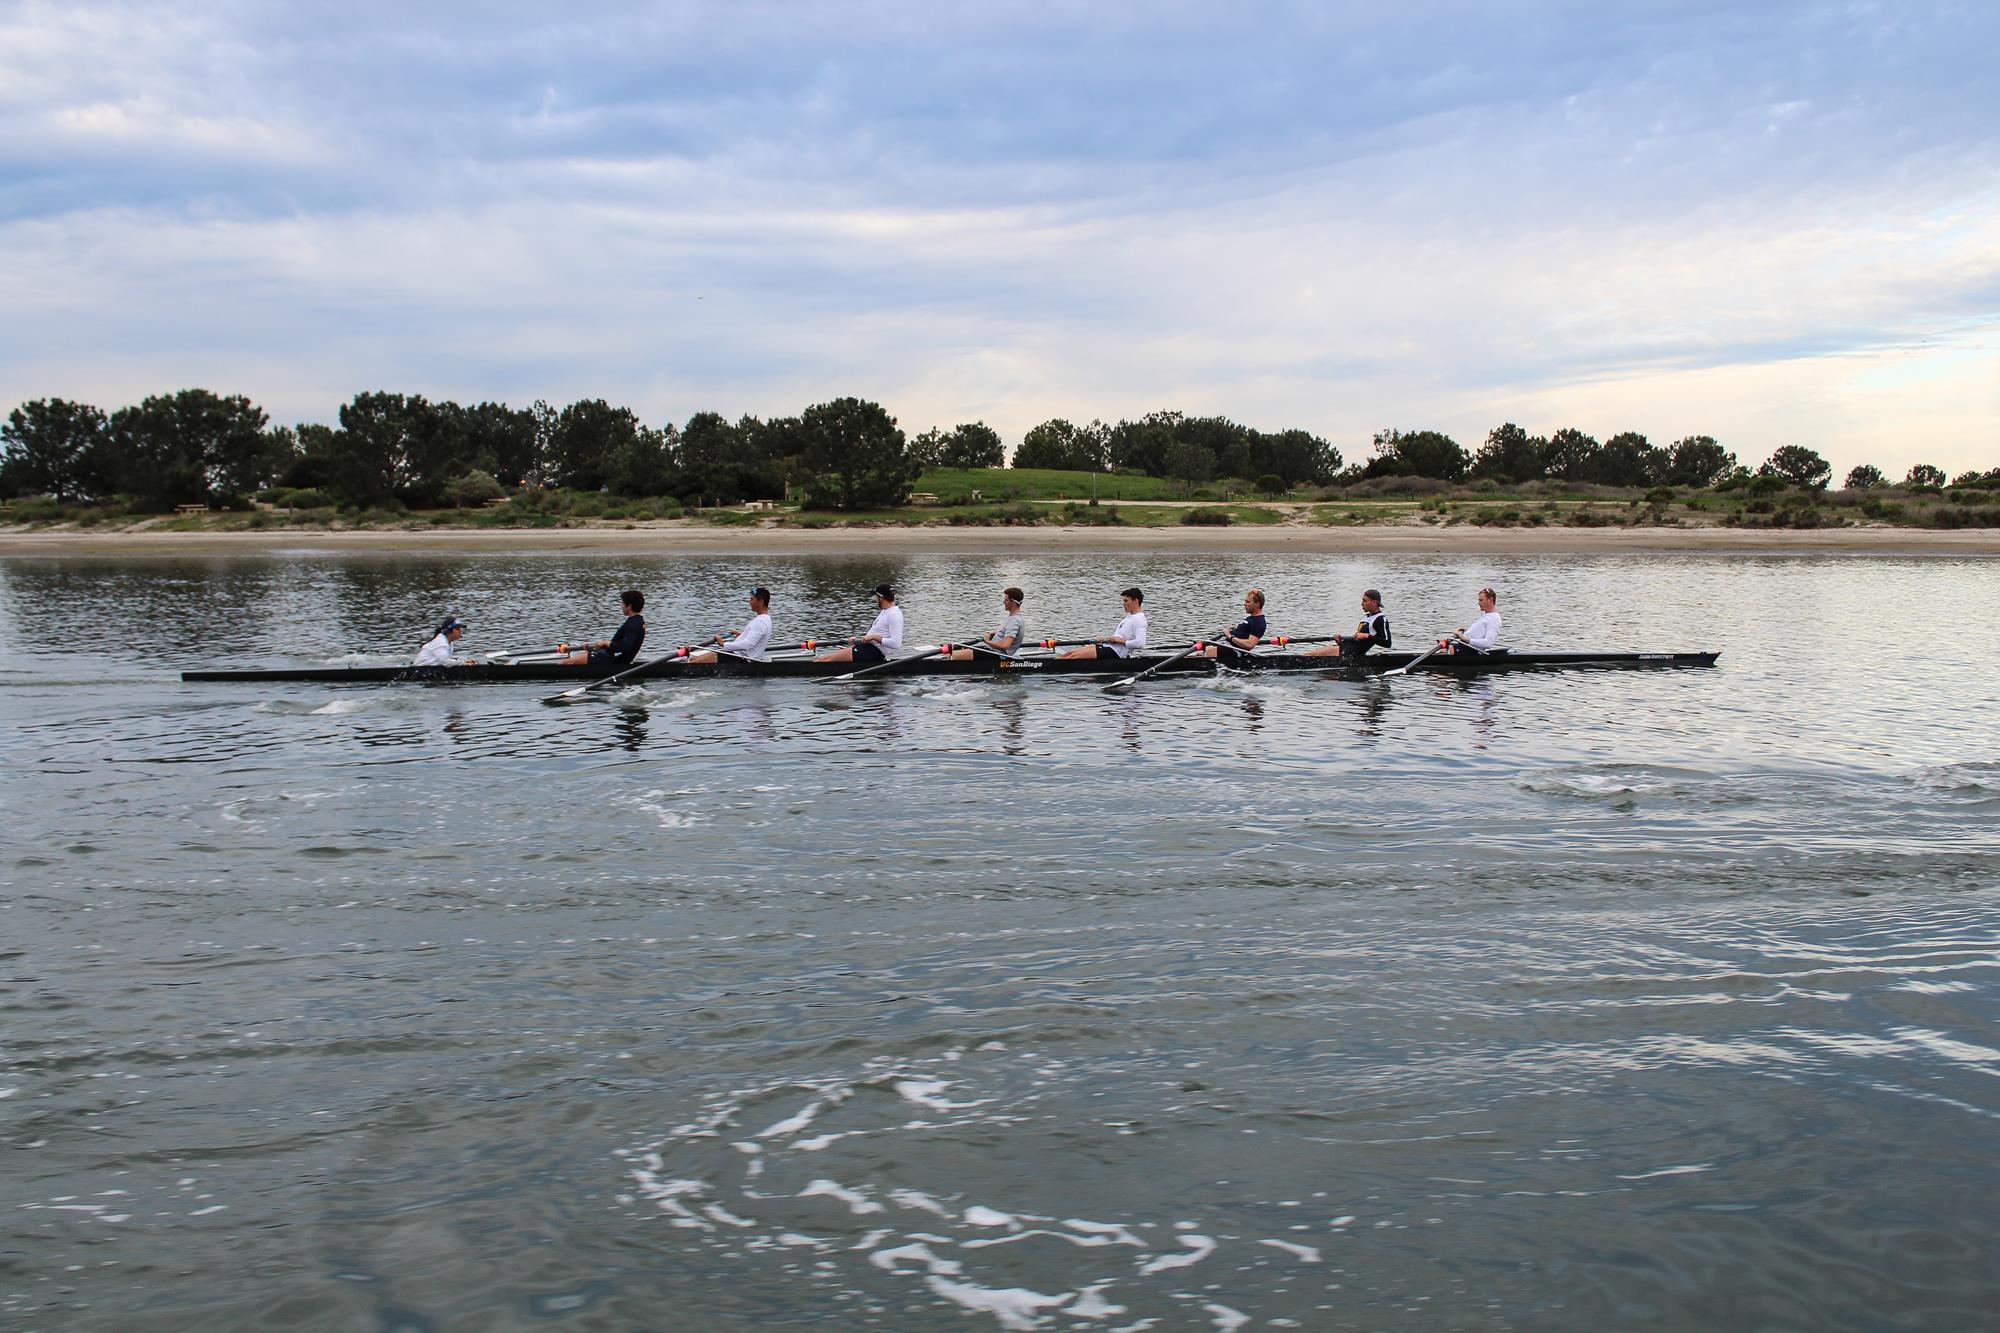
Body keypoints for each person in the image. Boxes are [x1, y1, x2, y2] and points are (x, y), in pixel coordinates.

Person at [815, 584, 905, 664]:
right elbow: (877, 633)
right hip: (867, 648)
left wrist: (874, 637)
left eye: (876, 597)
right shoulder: (886, 611)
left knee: (822, 661)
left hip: (873, 653)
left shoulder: (893, 614)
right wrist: (858, 640)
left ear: (880, 598)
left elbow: (896, 643)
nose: (875, 600)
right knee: (822, 659)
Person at [557, 590, 646, 667]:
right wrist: (593, 647)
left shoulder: (634, 624)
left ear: (629, 606)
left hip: (610, 659)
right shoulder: (636, 622)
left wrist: (606, 642)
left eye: (622, 603)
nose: (621, 606)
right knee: (577, 658)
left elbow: (624, 647)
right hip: (609, 656)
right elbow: (617, 645)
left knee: (564, 663)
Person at [684, 587, 773, 664]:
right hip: (740, 656)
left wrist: (723, 644)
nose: (749, 602)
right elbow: (754, 638)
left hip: (741, 659)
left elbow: (747, 644)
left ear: (761, 601)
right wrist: (742, 634)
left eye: (752, 599)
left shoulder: (760, 622)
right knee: (694, 658)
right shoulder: (765, 619)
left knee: (694, 662)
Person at [1061, 587, 1147, 659]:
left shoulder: (1139, 619)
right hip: (1109, 647)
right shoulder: (1129, 618)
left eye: (1126, 601)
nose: (1123, 604)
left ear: (1136, 601)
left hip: (1115, 653)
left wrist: (1121, 642)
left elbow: (1140, 643)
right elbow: (1118, 639)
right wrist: (1105, 640)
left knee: (1072, 656)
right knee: (1069, 653)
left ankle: (1051, 669)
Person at [1307, 589, 1390, 659]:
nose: (1362, 604)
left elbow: (1387, 642)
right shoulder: (1366, 617)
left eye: (1364, 601)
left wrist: (1366, 636)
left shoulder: (1380, 619)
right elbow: (1358, 641)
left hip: (1352, 654)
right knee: (1309, 655)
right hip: (1346, 650)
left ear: (1374, 602)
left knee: (1311, 655)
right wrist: (1341, 641)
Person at [950, 587, 1027, 660]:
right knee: (954, 652)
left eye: (1006, 600)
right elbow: (1009, 633)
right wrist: (996, 634)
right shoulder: (1016, 617)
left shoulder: (1014, 621)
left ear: (1013, 602)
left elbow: (1005, 645)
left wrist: (987, 641)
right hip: (991, 651)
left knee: (952, 656)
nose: (1003, 602)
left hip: (996, 655)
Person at [1202, 588, 1267, 659]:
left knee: (1207, 650)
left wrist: (1230, 636)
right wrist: (1235, 630)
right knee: (1202, 646)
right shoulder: (1252, 618)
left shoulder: (1259, 623)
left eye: (1248, 602)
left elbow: (1249, 644)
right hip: (1228, 645)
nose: (1244, 604)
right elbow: (1245, 633)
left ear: (1257, 604)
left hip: (1235, 651)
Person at [1442, 586, 1503, 655]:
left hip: (1469, 651)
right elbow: (1478, 634)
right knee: (1443, 644)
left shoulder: (1494, 619)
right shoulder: (1486, 615)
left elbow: (1488, 643)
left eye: (1481, 600)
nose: (1478, 603)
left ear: (1490, 600)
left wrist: (1466, 639)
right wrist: (1464, 632)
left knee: (1445, 649)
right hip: (1462, 646)